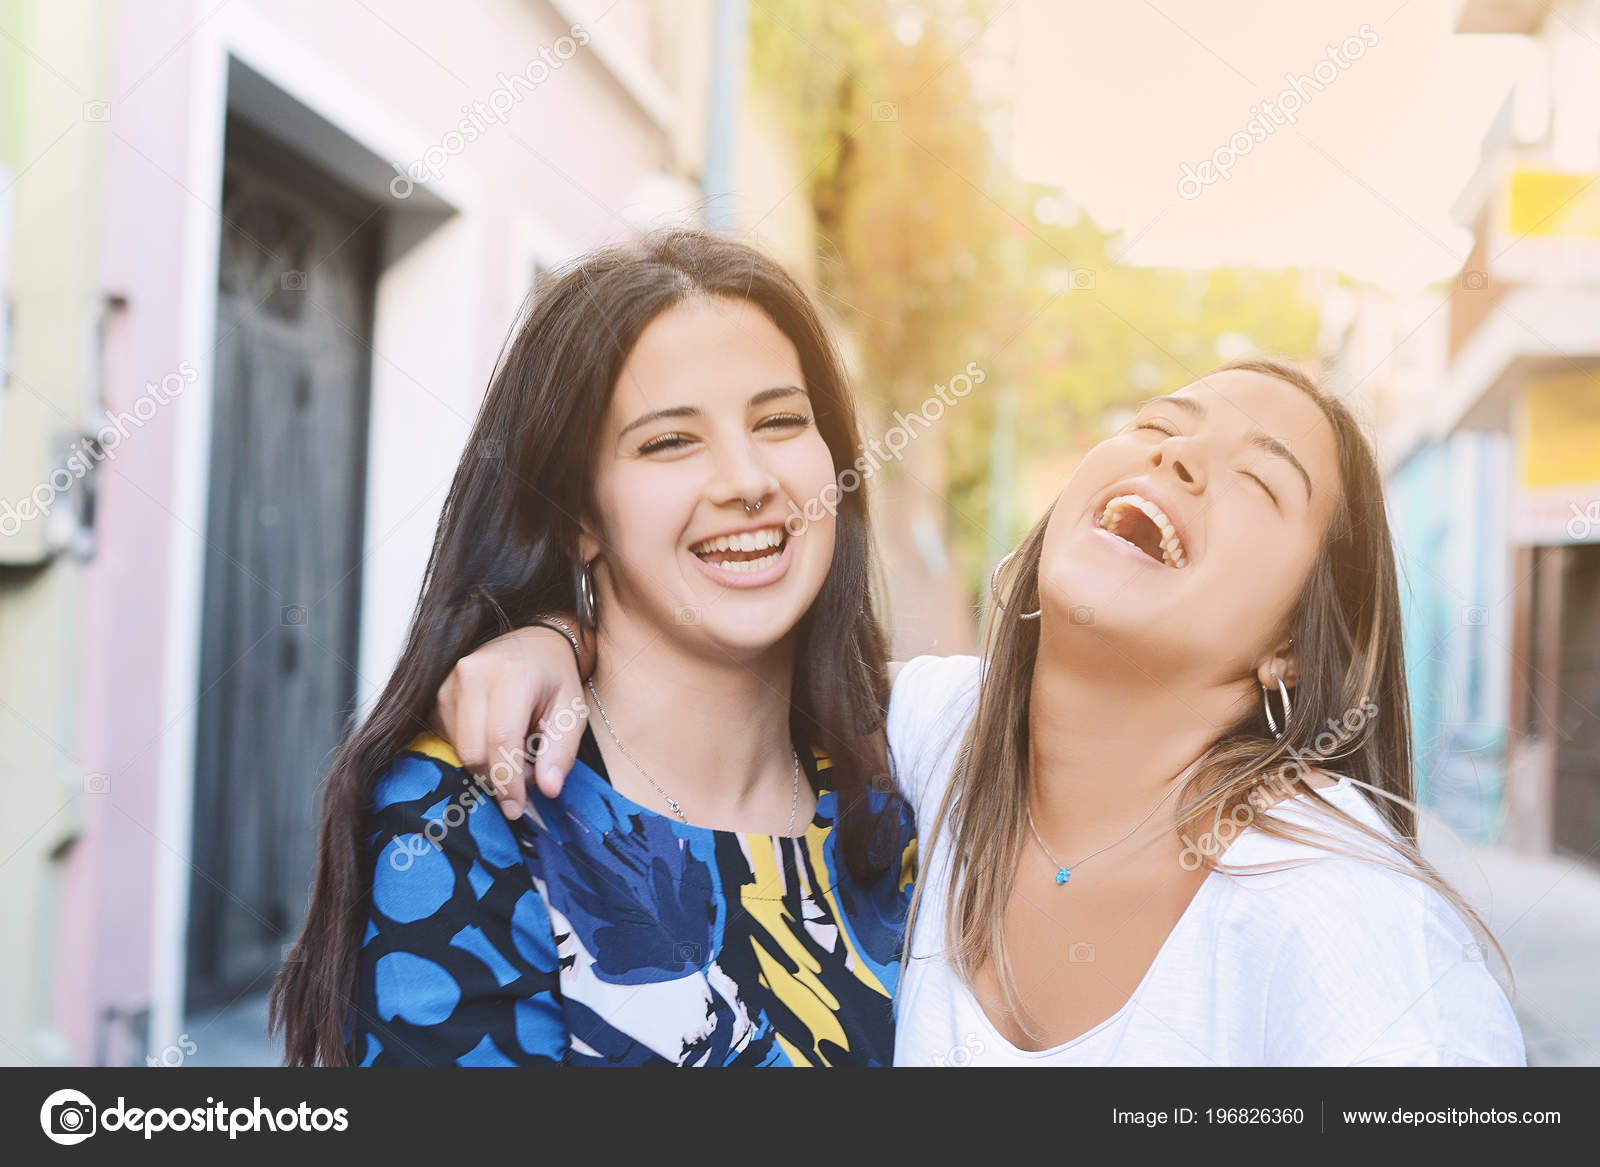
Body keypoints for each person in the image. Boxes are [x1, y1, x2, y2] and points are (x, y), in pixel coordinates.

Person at [440, 358, 1525, 1066]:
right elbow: (721, 665)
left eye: (1259, 480)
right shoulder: (940, 737)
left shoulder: (1342, 912)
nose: (1177, 454)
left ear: (1293, 638)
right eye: (1158, 421)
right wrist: (554, 633)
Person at [268, 229, 915, 1066]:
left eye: (782, 420)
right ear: (576, 515)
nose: (748, 479)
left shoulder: (901, 787)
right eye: (669, 441)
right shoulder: (471, 813)